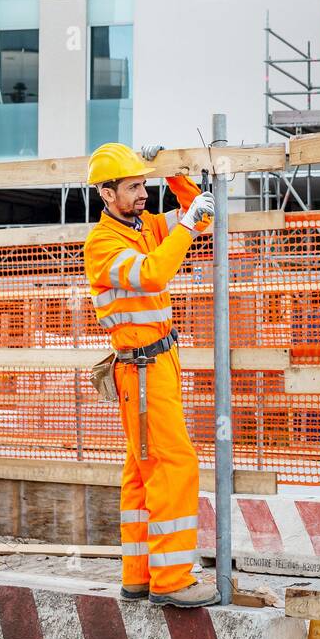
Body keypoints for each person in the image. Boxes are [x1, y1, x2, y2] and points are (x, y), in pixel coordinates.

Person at [82, 142, 217, 607]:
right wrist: (191, 219)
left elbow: (196, 216)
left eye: (145, 183)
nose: (144, 193)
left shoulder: (141, 228)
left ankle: (139, 575)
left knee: (141, 472)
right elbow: (158, 273)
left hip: (153, 365)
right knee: (175, 464)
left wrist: (174, 174)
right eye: (134, 186)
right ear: (106, 193)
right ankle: (174, 580)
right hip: (141, 369)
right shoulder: (104, 245)